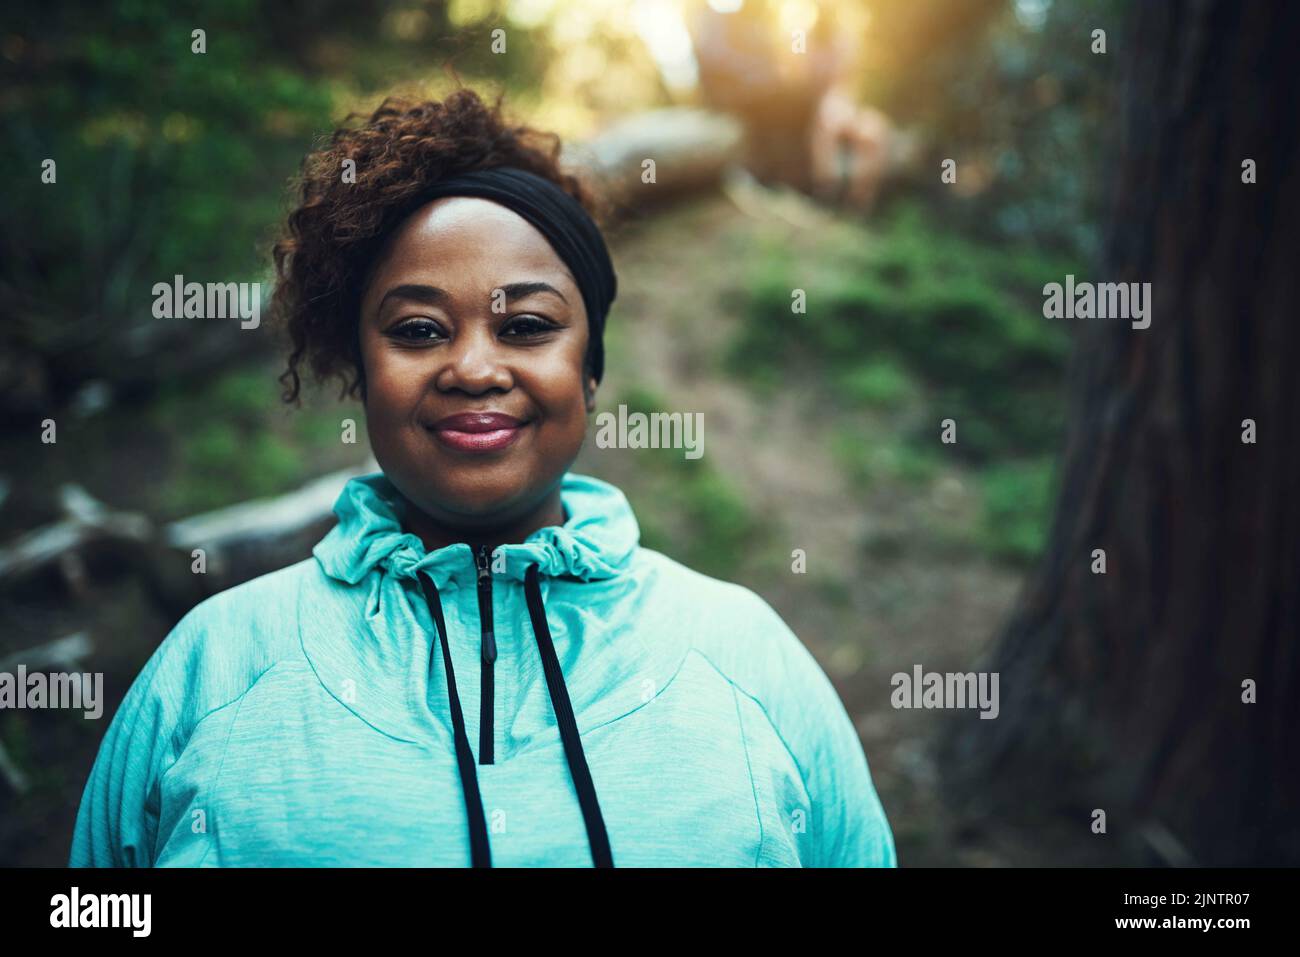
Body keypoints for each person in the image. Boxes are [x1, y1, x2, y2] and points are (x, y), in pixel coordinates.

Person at [68, 88, 897, 868]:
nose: (472, 366)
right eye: (420, 328)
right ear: (360, 371)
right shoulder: (214, 670)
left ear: (590, 371)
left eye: (526, 325)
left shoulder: (744, 658)